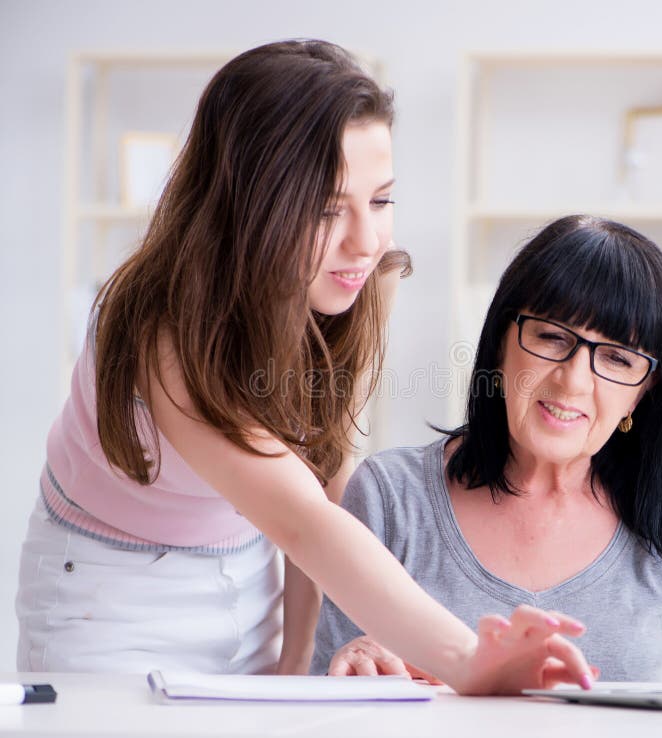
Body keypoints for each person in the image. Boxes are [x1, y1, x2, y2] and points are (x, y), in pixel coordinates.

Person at [16, 40, 595, 695]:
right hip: (109, 595)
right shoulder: (165, 332)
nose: (366, 239)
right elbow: (302, 520)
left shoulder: (353, 279)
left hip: (247, 564)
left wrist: (299, 660)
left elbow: (321, 475)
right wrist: (467, 658)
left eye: (380, 201)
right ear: (248, 203)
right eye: (326, 209)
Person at [312, 214, 662, 682]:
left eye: (617, 358)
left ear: (645, 391)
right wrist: (355, 665)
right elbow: (329, 709)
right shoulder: (391, 499)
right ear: (501, 343)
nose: (572, 380)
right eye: (552, 337)